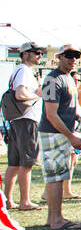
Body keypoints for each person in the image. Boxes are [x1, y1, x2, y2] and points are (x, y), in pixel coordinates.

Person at [37, 45, 81, 230]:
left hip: (61, 133)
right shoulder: (52, 79)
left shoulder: (68, 79)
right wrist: (71, 136)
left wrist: (77, 118)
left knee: (58, 175)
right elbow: (51, 113)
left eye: (76, 55)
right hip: (54, 133)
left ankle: (53, 218)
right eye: (68, 55)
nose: (72, 59)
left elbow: (64, 108)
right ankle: (57, 219)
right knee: (56, 177)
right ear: (59, 57)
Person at [3, 41, 44, 212]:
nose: (39, 56)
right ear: (25, 54)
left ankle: (8, 199)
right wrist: (36, 95)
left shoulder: (19, 70)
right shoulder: (25, 71)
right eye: (36, 52)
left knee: (14, 162)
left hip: (16, 120)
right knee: (26, 162)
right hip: (27, 120)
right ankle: (24, 201)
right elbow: (20, 94)